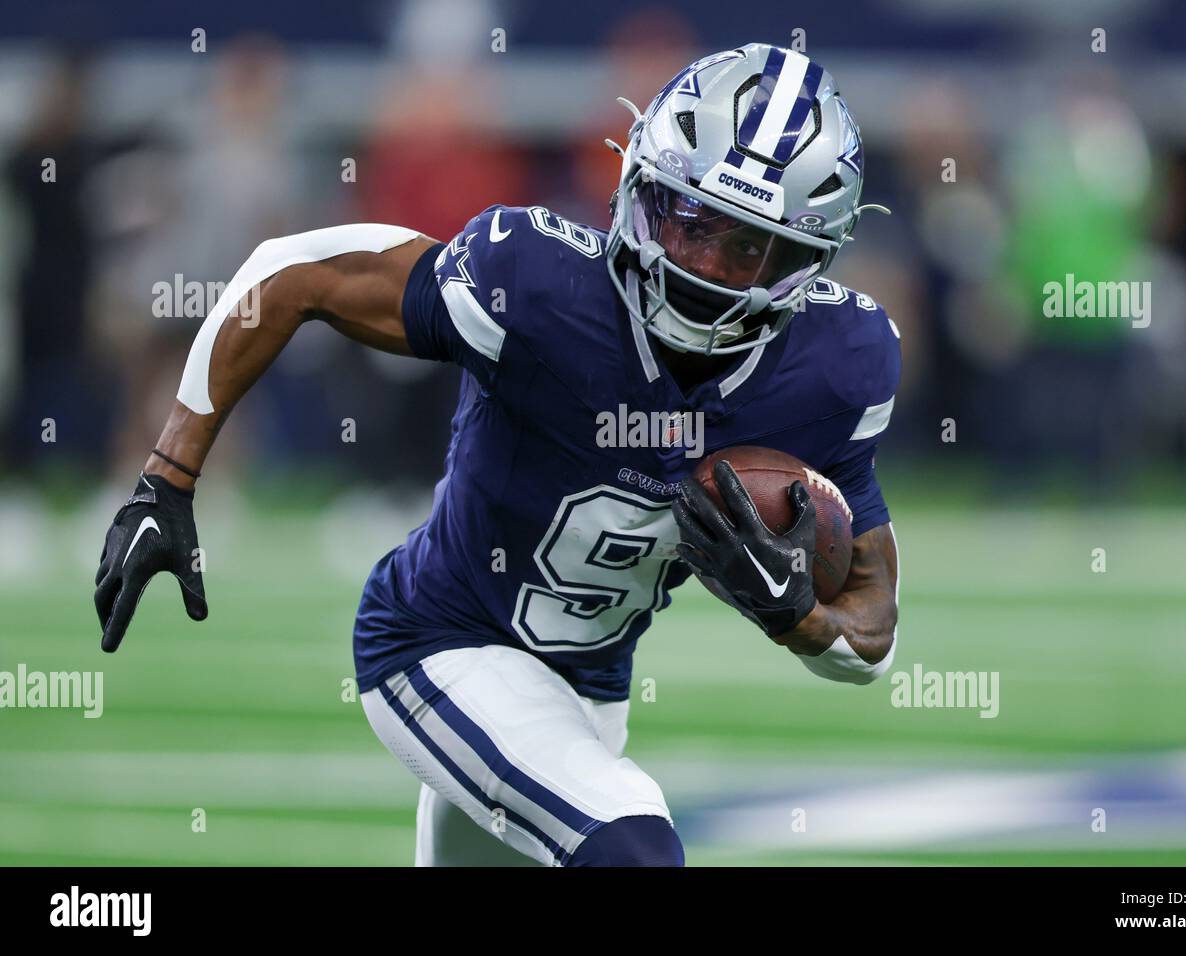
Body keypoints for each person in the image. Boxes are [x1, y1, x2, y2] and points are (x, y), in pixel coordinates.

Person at [92, 43, 902, 867]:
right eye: (684, 218)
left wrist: (793, 616)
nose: (699, 263)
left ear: (805, 260)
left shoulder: (836, 368)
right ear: (638, 182)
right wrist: (167, 480)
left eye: (744, 248)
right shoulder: (536, 285)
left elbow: (874, 634)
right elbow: (289, 274)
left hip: (587, 696)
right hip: (438, 642)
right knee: (635, 843)